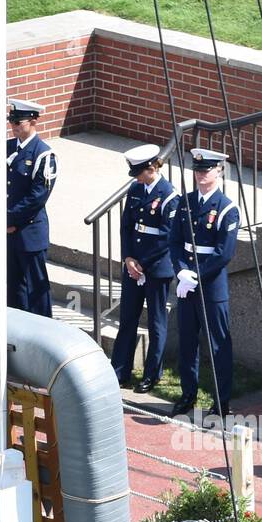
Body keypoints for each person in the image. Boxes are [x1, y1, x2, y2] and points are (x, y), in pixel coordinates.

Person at [169, 148, 239, 418]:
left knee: (219, 345)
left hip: (210, 286)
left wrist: (196, 276)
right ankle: (188, 395)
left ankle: (221, 402)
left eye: (206, 170)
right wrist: (181, 271)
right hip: (187, 282)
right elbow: (175, 242)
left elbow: (224, 253)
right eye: (197, 170)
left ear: (219, 171)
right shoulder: (186, 202)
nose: (200, 175)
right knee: (187, 342)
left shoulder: (226, 209)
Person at [111, 144, 179, 393]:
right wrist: (128, 258)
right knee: (127, 317)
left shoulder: (170, 196)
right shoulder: (136, 189)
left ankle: (152, 373)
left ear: (152, 168)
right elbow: (127, 225)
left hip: (155, 268)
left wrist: (143, 264)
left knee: (156, 322)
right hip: (134, 265)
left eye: (140, 172)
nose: (137, 178)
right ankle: (120, 370)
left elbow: (166, 236)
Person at [6, 98, 57, 317]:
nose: (15, 126)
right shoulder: (7, 148)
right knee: (13, 288)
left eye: (19, 121)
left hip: (29, 232)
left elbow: (37, 197)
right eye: (12, 121)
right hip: (8, 234)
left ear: (34, 120)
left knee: (36, 291)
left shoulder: (43, 154)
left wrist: (7, 220)